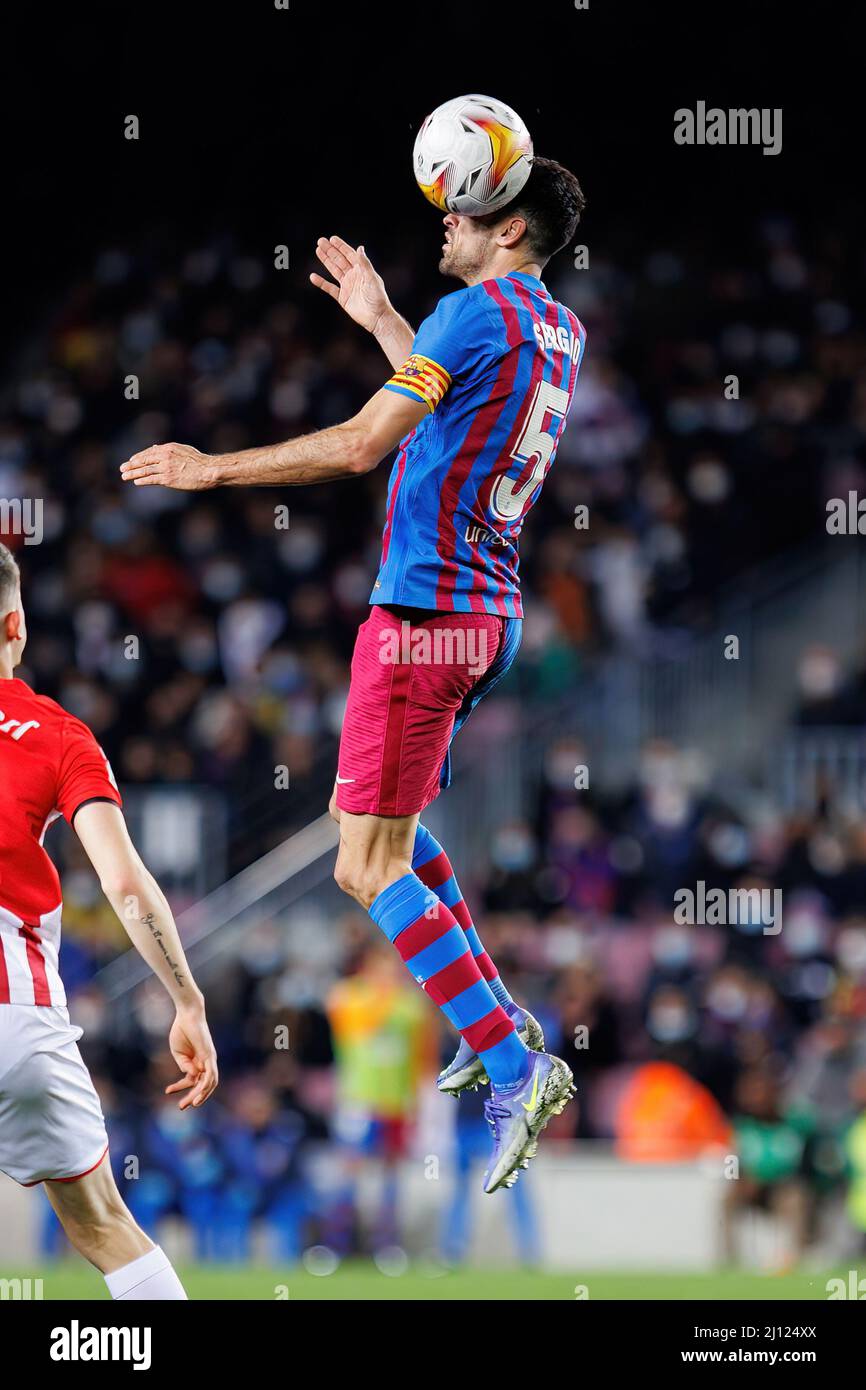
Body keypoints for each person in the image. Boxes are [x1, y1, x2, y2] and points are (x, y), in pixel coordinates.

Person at [120, 156, 585, 1193]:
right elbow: (446, 390)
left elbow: (363, 446)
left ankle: (516, 1063)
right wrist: (384, 322)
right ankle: (497, 1022)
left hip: (422, 616)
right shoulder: (551, 326)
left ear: (509, 231)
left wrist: (212, 467)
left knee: (362, 868)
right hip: (484, 614)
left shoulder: (474, 316)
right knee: (400, 839)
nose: (449, 219)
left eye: (469, 207)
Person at [0, 542, 218, 1298]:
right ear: (15, 626)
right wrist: (187, 1001)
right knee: (102, 1228)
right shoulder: (59, 736)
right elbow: (124, 883)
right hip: (17, 1024)